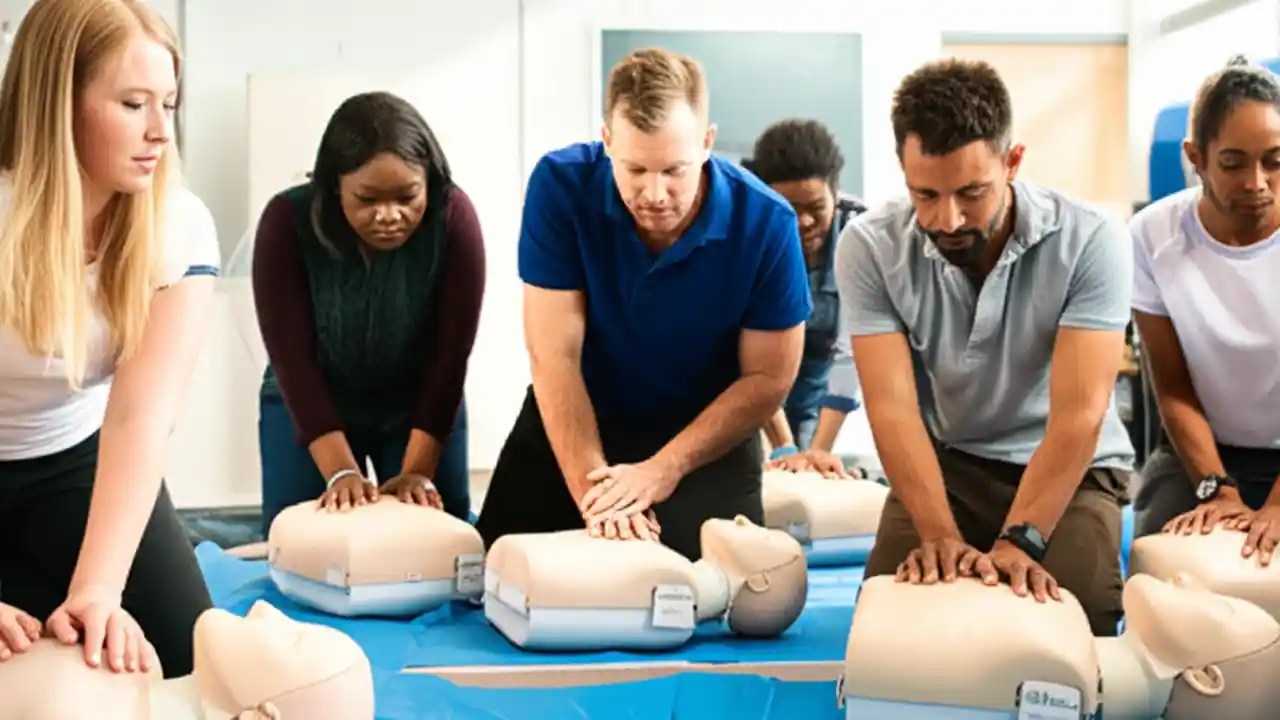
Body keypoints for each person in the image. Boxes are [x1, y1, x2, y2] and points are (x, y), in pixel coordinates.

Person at [475, 47, 810, 561]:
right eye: (634, 169)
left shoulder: (767, 223)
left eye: (675, 170)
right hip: (582, 408)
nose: (654, 193)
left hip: (704, 433)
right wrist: (599, 496)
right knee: (497, 568)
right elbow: (554, 355)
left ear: (706, 143)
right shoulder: (559, 186)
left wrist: (663, 469)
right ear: (607, 142)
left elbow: (768, 379)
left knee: (721, 587)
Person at [837, 58, 1135, 636]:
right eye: (924, 194)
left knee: (1076, 619)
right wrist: (939, 536)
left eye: (971, 192)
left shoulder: (1093, 240)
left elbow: (1081, 415)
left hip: (1070, 468)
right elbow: (892, 408)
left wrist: (1021, 539)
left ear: (1012, 161)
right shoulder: (870, 247)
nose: (947, 219)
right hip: (951, 460)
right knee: (892, 621)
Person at [0, 0, 219, 676]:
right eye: (132, 104)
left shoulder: (177, 225)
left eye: (169, 105)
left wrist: (98, 589)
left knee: (186, 661)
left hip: (77, 458)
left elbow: (139, 418)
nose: (160, 133)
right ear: (58, 104)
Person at [252, 91, 483, 533]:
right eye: (367, 199)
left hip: (420, 402)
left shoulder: (454, 218)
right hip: (308, 397)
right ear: (334, 185)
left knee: (437, 537)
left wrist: (418, 470)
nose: (389, 215)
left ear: (429, 182)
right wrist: (341, 472)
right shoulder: (286, 222)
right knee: (301, 540)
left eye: (406, 196)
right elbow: (292, 362)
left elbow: (451, 357)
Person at [1129, 57, 1280, 565]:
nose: (1256, 182)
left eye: (1275, 161)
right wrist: (1216, 488)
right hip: (1202, 451)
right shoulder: (1152, 236)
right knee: (1161, 550)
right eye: (1234, 163)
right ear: (1196, 157)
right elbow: (1171, 386)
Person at [742, 118, 866, 476]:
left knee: (817, 470)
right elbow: (751, 359)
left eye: (816, 207)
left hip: (822, 382)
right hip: (757, 379)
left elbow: (849, 351)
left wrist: (817, 451)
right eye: (789, 209)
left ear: (836, 195)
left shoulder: (861, 235)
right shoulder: (749, 238)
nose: (803, 221)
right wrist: (783, 446)